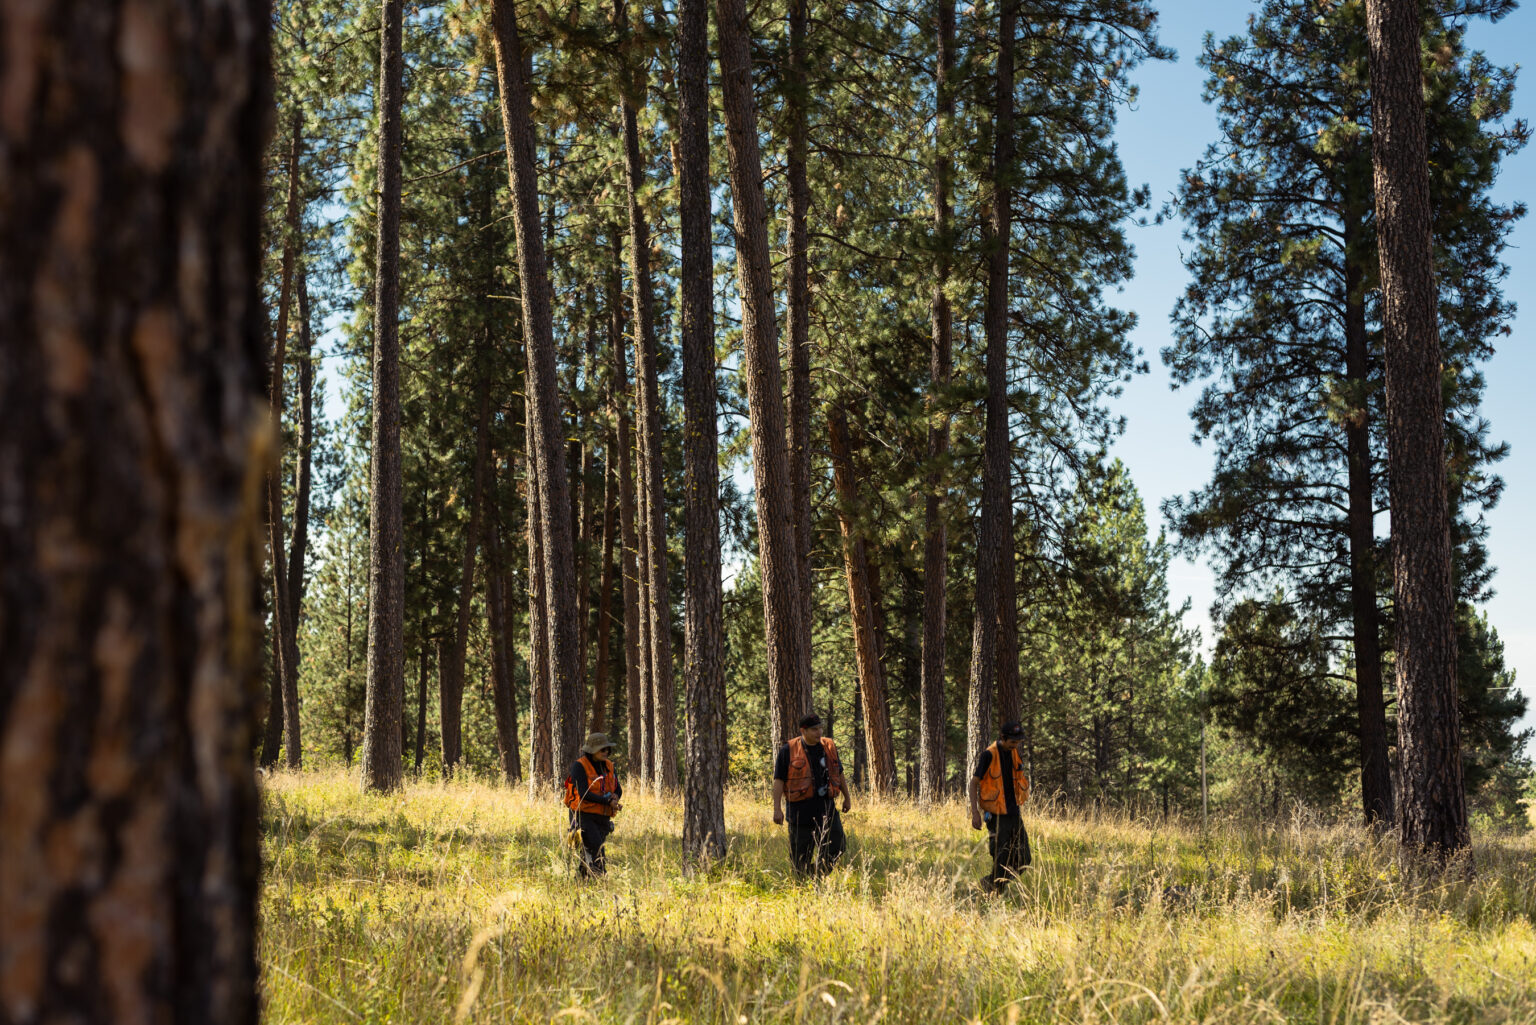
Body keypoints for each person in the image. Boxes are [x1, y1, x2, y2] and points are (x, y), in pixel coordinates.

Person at [772, 713, 851, 877]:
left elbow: (839, 773)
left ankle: (817, 874)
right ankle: (802, 883)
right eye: (814, 729)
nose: (819, 732)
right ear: (804, 731)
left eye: (820, 728)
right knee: (800, 856)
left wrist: (847, 798)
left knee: (838, 845)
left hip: (826, 809)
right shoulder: (788, 750)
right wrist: (777, 809)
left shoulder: (828, 747)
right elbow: (778, 780)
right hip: (800, 812)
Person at [969, 720, 1032, 893]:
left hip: (1014, 814)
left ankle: (987, 885)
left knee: (1024, 859)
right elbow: (973, 783)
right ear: (1003, 737)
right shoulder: (988, 755)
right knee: (1001, 858)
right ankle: (993, 894)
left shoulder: (1014, 753)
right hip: (996, 816)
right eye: (1012, 741)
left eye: (1018, 741)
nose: (1015, 745)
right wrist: (975, 813)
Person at [563, 732, 622, 877]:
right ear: (592, 750)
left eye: (607, 749)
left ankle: (584, 880)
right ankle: (600, 878)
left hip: (603, 816)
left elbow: (618, 788)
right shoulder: (579, 766)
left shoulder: (609, 765)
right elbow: (584, 793)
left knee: (590, 851)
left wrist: (615, 797)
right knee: (596, 849)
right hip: (583, 815)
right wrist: (608, 801)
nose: (606, 752)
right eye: (602, 749)